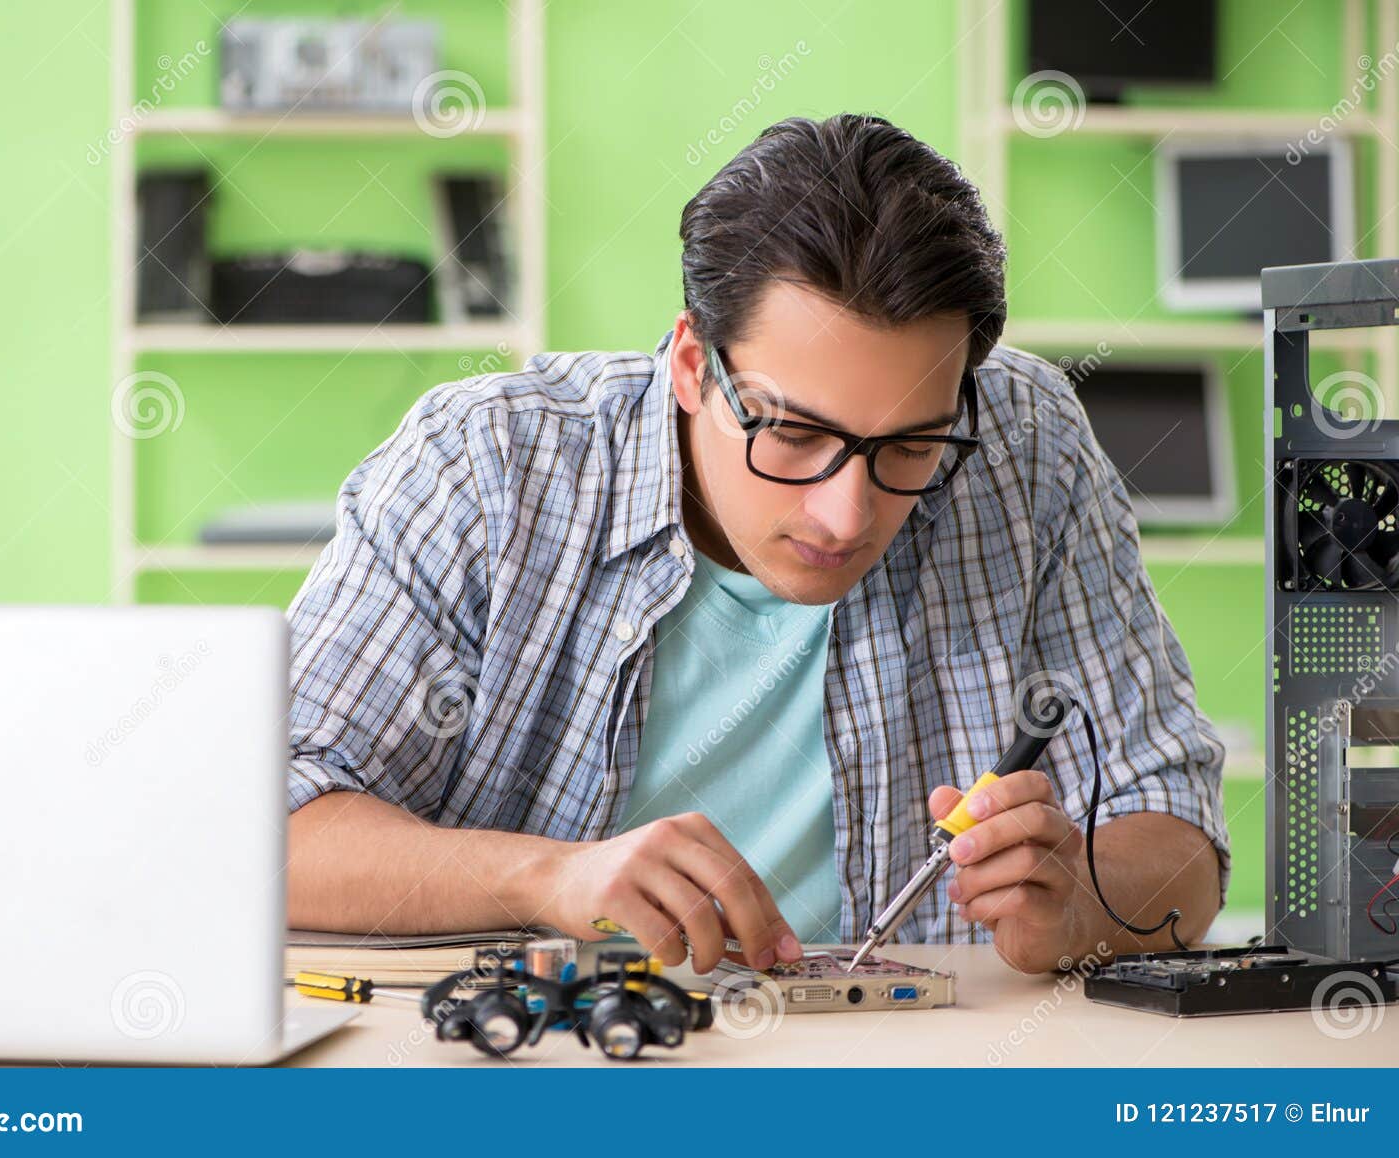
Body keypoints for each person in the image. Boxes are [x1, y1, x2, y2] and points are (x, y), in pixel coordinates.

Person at [282, 113, 1229, 975]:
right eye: (793, 434)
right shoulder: (487, 463)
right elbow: (266, 830)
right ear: (695, 366)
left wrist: (1078, 908)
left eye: (911, 445)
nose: (845, 514)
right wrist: (548, 880)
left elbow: (1178, 831)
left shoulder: (1028, 441)